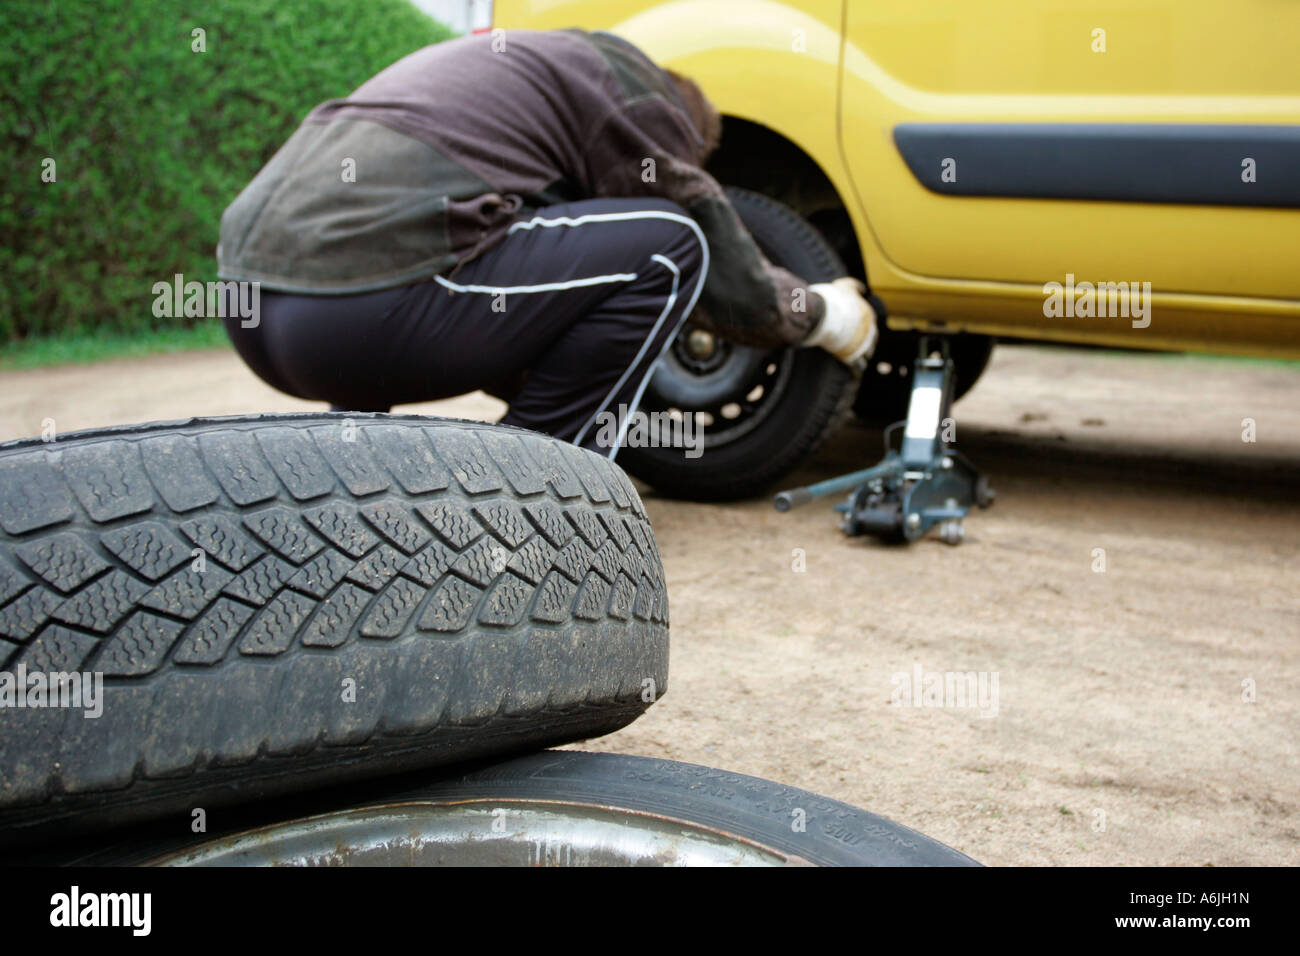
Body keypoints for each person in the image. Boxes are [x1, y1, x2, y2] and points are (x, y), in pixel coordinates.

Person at [217, 28, 876, 458]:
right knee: (671, 244)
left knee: (434, 239)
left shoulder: (517, 69)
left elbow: (542, 291)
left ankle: (358, 465)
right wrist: (824, 316)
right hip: (372, 310)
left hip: (257, 311)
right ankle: (534, 493)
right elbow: (718, 259)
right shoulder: (641, 92)